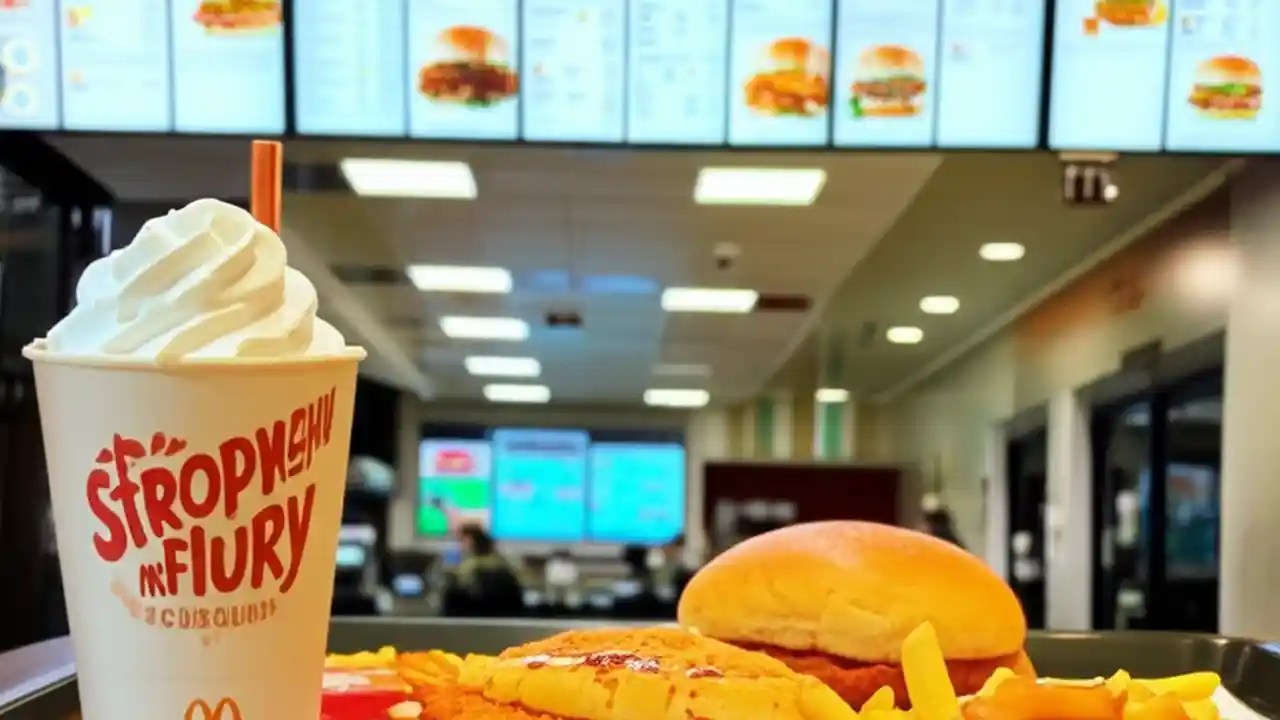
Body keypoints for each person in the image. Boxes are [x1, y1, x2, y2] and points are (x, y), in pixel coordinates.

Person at [442, 524, 523, 616]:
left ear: (472, 541)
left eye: (462, 541)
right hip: (507, 615)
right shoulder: (505, 562)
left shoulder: (468, 567)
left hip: (472, 615)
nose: (461, 545)